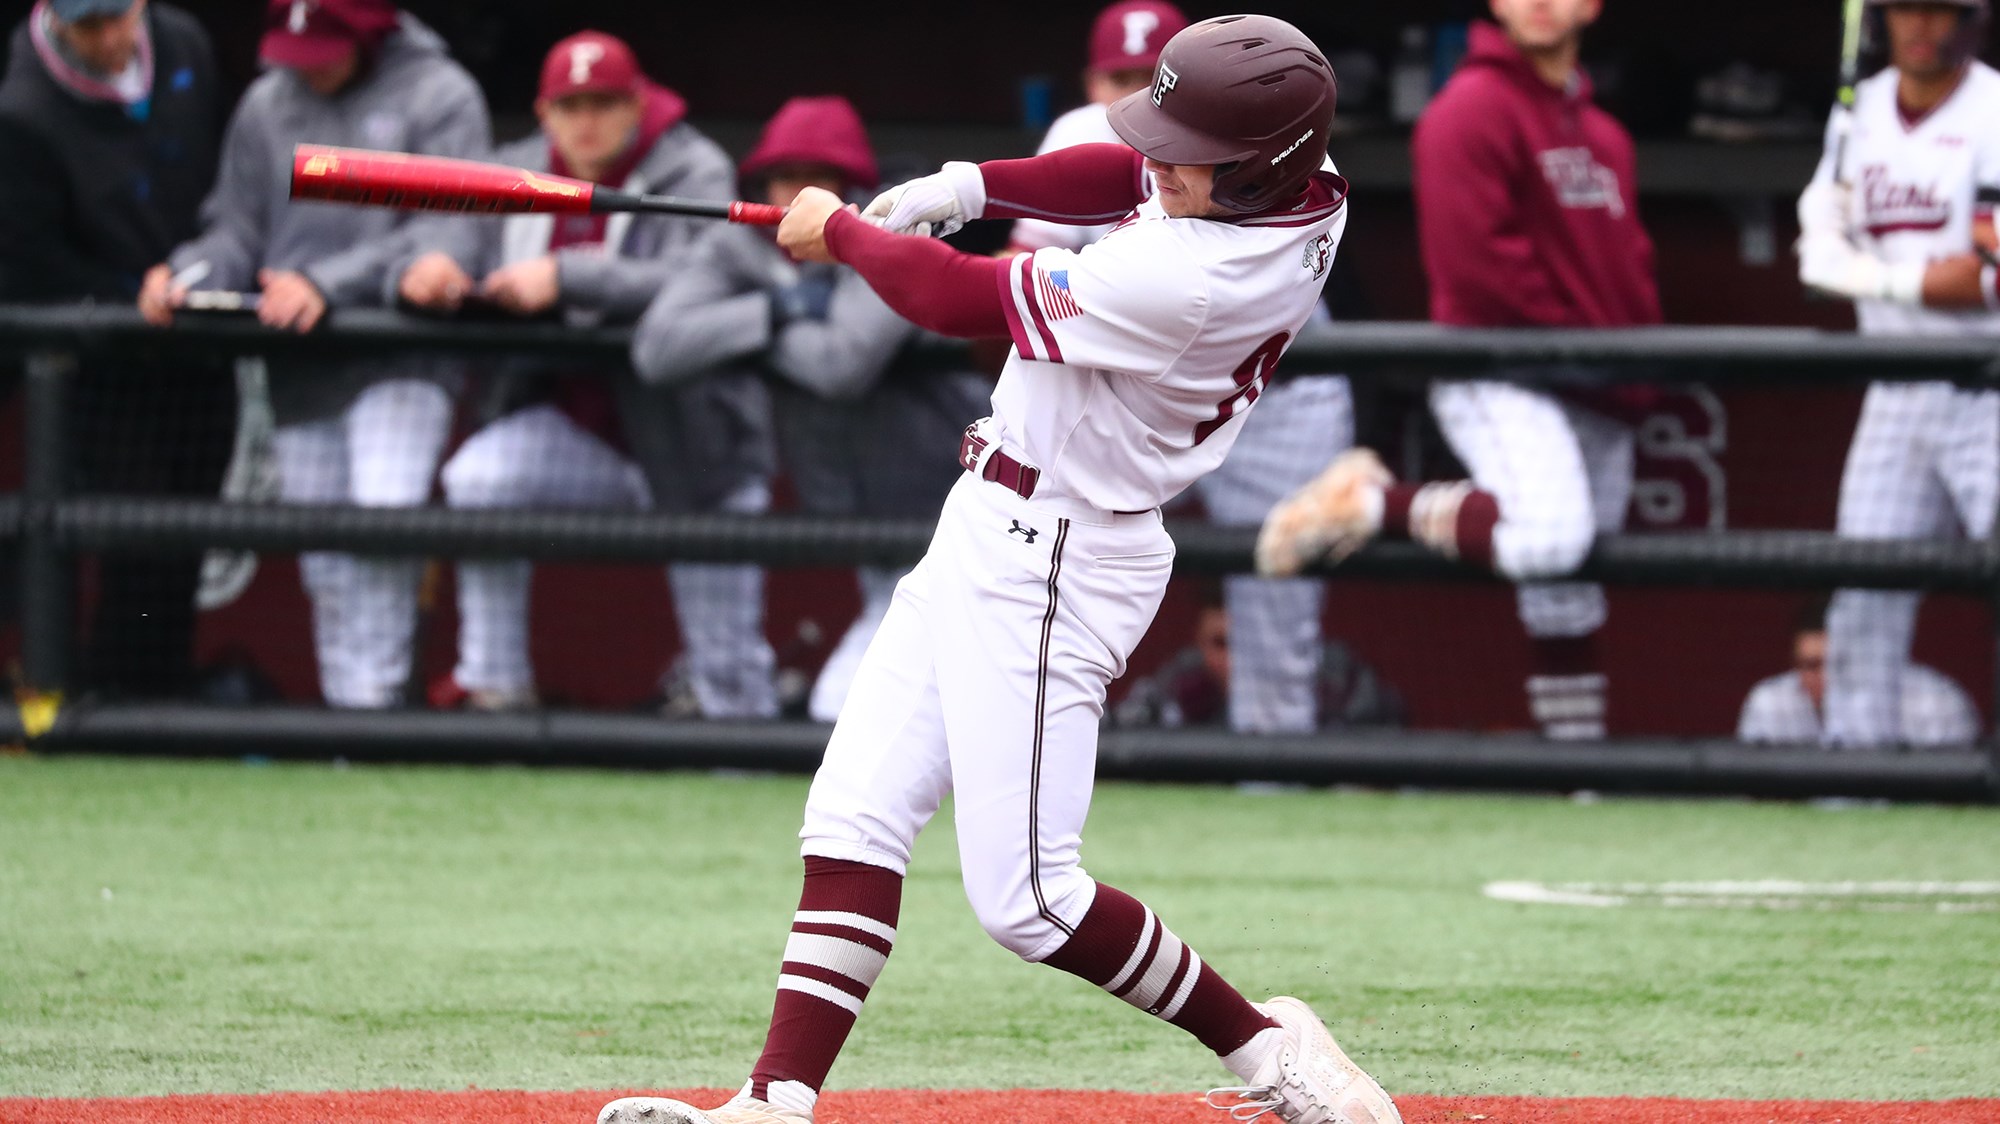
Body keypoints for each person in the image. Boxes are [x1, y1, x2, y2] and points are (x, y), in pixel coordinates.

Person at [597, 16, 1400, 1124]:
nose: (1160, 163)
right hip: (994, 512)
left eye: (1190, 151)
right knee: (850, 815)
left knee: (1028, 900)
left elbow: (956, 301)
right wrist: (962, 186)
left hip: (1062, 552)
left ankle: (1271, 1053)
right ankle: (774, 1101)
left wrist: (849, 234)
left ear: (1254, 167)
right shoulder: (1295, 178)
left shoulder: (1195, 273)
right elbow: (1127, 163)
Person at [1257, 0, 1660, 741]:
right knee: (1549, 541)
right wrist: (1590, 353)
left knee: (1567, 590)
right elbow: (1480, 279)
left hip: (1596, 376)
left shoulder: (1604, 133)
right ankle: (1376, 503)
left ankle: (1580, 777)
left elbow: (1631, 271)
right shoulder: (1467, 109)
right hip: (1500, 368)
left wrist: (1629, 371)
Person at [396, 31, 772, 717]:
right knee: (478, 478)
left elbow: (697, 277)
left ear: (637, 104)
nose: (587, 121)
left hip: (695, 445)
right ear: (544, 113)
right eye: (571, 106)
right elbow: (447, 232)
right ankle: (495, 687)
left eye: (603, 103)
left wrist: (567, 278)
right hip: (582, 441)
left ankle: (740, 756)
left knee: (729, 673)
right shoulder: (515, 169)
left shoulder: (693, 169)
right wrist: (436, 266)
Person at [1011, 0, 1359, 735]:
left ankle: (1274, 792)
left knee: (1276, 609)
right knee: (1065, 584)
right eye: (1119, 75)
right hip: (1139, 394)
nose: (1132, 90)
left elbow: (991, 292)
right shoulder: (1084, 133)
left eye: (1150, 73)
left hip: (1270, 401)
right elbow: (1022, 262)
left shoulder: (1267, 144)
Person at [140, 0, 491, 708]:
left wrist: (328, 284)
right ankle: (348, 727)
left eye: (326, 44)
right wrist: (187, 272)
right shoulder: (269, 102)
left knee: (381, 521)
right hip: (301, 362)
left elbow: (449, 235)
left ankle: (374, 713)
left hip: (399, 359)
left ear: (369, 31)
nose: (308, 63)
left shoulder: (439, 92)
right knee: (324, 560)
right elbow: (236, 230)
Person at [631, 95, 987, 723]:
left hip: (960, 517)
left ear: (853, 188)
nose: (799, 195)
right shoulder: (738, 253)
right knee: (897, 708)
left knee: (843, 708)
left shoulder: (896, 236)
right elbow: (658, 348)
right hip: (876, 534)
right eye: (784, 177)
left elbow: (839, 364)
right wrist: (775, 310)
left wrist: (747, 333)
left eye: (818, 179)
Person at [0, 0, 234, 698]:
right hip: (101, 363)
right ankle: (110, 707)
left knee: (186, 536)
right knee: (130, 539)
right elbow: (28, 266)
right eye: (89, 26)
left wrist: (206, 267)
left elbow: (222, 185)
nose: (110, 39)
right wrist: (130, 298)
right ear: (57, 20)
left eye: (119, 19)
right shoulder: (22, 112)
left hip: (202, 337)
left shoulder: (187, 41)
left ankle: (161, 700)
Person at [1794, 0, 2000, 748]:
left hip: (1988, 391)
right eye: (1907, 8)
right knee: (1863, 601)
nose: (1921, 26)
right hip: (1895, 396)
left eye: (1940, 10)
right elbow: (1831, 218)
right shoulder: (1861, 113)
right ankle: (1857, 783)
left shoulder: (1994, 111)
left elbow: (1991, 269)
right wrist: (1821, 218)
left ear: (1970, 22)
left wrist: (1871, 278)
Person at [1111, 583, 1405, 731]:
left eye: (1249, 641)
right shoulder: (1181, 684)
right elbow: (1114, 741)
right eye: (1221, 643)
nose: (1238, 661)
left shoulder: (1338, 680)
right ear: (1198, 643)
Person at [1738, 597, 1977, 746]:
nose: (1828, 677)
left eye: (1840, 663)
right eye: (1813, 665)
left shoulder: (1933, 703)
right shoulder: (1771, 704)